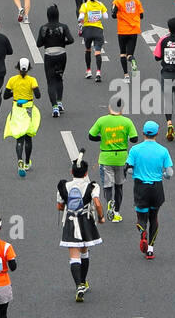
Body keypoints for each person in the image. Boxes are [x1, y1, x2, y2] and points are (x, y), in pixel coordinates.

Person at [57, 151, 105, 303]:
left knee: (74, 256)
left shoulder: (63, 185)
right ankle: (83, 282)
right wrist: (101, 217)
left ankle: (78, 285)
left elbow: (59, 206)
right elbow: (97, 203)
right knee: (84, 251)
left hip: (71, 221)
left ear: (71, 172)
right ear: (86, 173)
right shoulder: (92, 186)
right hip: (86, 221)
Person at [125, 120, 173, 259]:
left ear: (143, 133)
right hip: (157, 188)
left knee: (142, 217)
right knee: (154, 218)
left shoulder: (135, 150)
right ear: (157, 133)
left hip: (141, 187)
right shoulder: (163, 150)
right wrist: (163, 175)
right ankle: (150, 249)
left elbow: (128, 169)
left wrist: (136, 173)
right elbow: (169, 173)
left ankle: (142, 231)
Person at [88, 97, 138, 223]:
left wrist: (102, 139)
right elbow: (134, 139)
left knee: (107, 185)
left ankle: (109, 202)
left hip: (106, 158)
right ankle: (116, 212)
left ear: (109, 107)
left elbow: (91, 136)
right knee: (119, 186)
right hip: (122, 159)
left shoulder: (102, 120)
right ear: (121, 108)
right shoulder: (127, 121)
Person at [2, 56, 41, 177]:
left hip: (17, 109)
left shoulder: (12, 80)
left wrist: (15, 92)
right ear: (28, 68)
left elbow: (5, 96)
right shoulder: (32, 80)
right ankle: (27, 162)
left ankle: (19, 160)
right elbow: (38, 95)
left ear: (18, 67)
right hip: (28, 109)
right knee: (28, 137)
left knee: (19, 138)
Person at [111, 0, 144, 80]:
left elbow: (113, 15)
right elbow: (141, 15)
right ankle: (132, 59)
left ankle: (126, 75)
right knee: (130, 54)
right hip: (134, 30)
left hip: (122, 30)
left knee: (122, 53)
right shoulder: (136, 1)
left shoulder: (117, 1)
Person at [78, 0, 108, 82]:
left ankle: (89, 70)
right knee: (98, 52)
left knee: (88, 49)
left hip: (87, 30)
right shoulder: (100, 4)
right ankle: (98, 72)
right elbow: (106, 16)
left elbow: (81, 17)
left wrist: (81, 22)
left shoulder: (85, 5)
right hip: (98, 30)